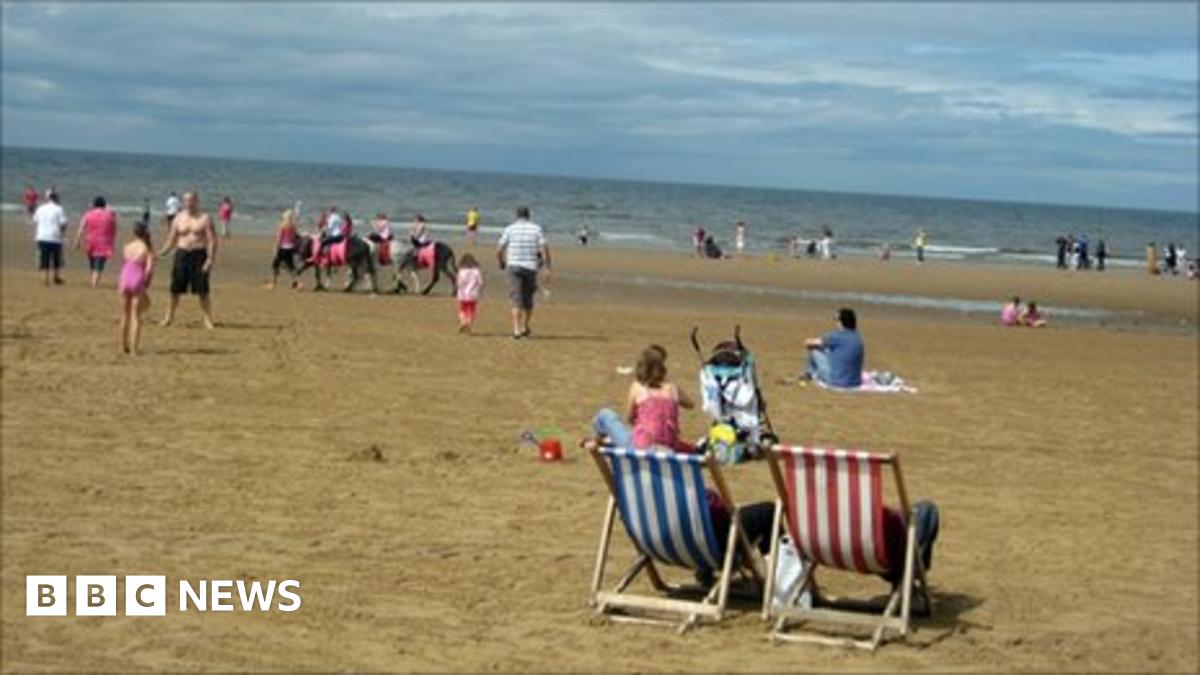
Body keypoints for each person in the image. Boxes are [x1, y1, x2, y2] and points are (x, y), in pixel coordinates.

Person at [589, 345, 697, 454]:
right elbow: (691, 404)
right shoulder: (672, 388)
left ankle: (595, 442)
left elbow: (630, 419)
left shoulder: (637, 388)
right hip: (668, 446)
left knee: (605, 414)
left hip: (641, 447)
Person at [157, 191, 217, 329]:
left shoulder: (205, 218)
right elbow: (171, 238)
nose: (189, 203)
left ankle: (208, 319)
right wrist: (162, 252)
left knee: (203, 290)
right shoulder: (178, 218)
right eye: (186, 201)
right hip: (182, 254)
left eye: (192, 200)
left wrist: (210, 259)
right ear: (183, 202)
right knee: (175, 289)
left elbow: (212, 240)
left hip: (199, 254)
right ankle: (168, 317)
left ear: (197, 201)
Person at [496, 206, 550, 339]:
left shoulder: (510, 229)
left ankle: (516, 330)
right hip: (531, 267)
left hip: (514, 265)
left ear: (517, 215)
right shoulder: (536, 229)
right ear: (528, 215)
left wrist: (501, 262)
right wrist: (547, 266)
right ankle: (525, 326)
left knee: (516, 299)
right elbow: (544, 248)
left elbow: (499, 249)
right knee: (528, 299)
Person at [118, 220, 155, 355]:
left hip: (125, 277)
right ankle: (134, 349)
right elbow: (149, 269)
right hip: (137, 277)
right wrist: (146, 284)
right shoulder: (147, 248)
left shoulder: (127, 246)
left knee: (124, 315)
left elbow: (125, 263)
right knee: (136, 316)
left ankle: (123, 346)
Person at [803, 308, 864, 388]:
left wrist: (821, 348)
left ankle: (808, 375)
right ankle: (812, 374)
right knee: (828, 351)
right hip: (855, 381)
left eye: (836, 320)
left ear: (841, 322)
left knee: (814, 351)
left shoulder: (835, 336)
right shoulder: (858, 337)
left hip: (835, 381)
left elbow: (808, 343)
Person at [73, 196, 118, 288]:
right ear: (104, 205)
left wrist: (77, 240)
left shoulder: (88, 214)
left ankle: (94, 280)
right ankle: (94, 283)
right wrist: (112, 242)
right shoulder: (110, 215)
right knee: (99, 262)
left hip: (90, 241)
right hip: (104, 242)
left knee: (93, 261)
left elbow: (81, 228)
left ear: (94, 205)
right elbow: (114, 229)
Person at [32, 190, 68, 286]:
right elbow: (63, 223)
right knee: (56, 258)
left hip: (42, 236)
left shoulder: (40, 208)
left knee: (44, 257)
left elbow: (35, 220)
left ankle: (45, 278)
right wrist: (63, 233)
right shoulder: (59, 209)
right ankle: (56, 277)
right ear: (56, 198)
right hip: (55, 236)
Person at [269, 208, 300, 290]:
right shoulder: (293, 227)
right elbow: (294, 238)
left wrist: (276, 248)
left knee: (275, 266)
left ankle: (273, 283)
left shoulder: (282, 226)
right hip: (290, 248)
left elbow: (279, 238)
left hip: (282, 248)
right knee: (290, 267)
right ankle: (296, 283)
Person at [455, 253, 484, 333]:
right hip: (473, 294)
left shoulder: (461, 271)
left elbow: (458, 283)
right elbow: (481, 283)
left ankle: (463, 322)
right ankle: (468, 323)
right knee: (471, 310)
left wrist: (459, 288)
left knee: (462, 309)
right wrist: (480, 289)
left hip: (462, 294)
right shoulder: (476, 271)